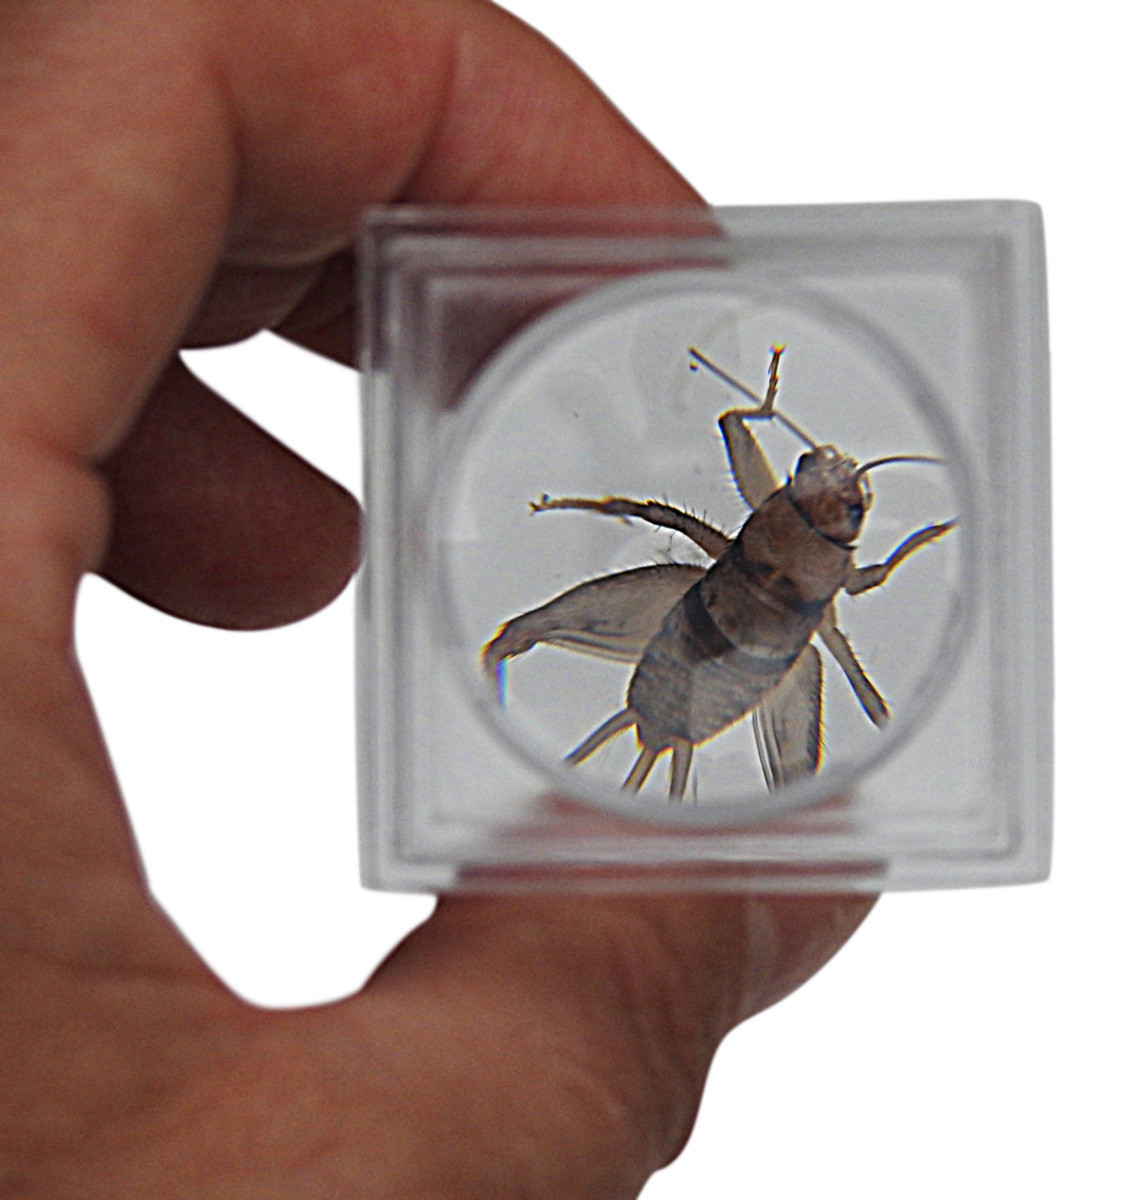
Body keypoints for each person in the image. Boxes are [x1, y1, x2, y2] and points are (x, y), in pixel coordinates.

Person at [0, 1, 874, 1192]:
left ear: (831, 545)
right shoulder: (761, 527)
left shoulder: (797, 563)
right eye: (814, 493)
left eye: (835, 504)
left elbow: (705, 519)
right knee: (547, 626)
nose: (821, 494)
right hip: (705, 616)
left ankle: (637, 737)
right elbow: (690, 501)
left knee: (750, 737)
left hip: (744, 643)